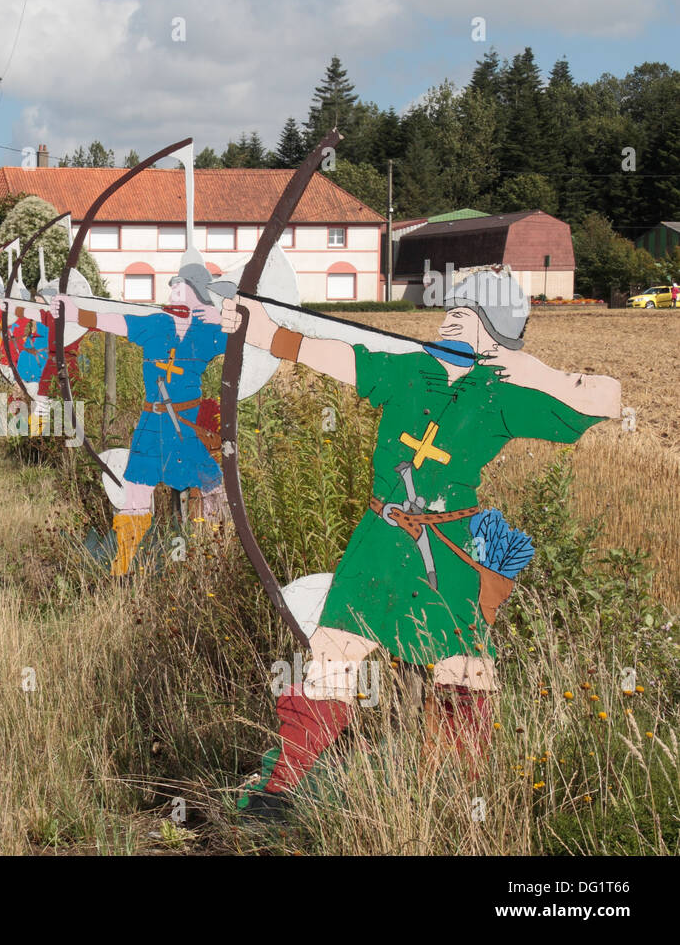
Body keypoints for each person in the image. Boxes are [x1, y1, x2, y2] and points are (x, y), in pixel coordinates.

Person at [223, 268, 621, 816]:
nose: (451, 316)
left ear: (496, 331)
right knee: (330, 661)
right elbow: (337, 355)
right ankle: (280, 793)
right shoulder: (407, 371)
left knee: (465, 674)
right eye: (451, 308)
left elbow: (607, 400)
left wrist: (532, 370)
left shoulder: (502, 396)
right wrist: (263, 330)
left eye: (469, 312)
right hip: (381, 542)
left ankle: (451, 804)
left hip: (450, 553)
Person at [50, 253, 231, 574]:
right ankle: (122, 566)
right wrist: (74, 311)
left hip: (187, 426)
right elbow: (112, 320)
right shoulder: (155, 324)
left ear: (197, 293)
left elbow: (249, 341)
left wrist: (229, 317)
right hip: (152, 424)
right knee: (136, 494)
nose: (174, 293)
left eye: (181, 288)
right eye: (174, 288)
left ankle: (215, 565)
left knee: (215, 489)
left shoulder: (208, 332)